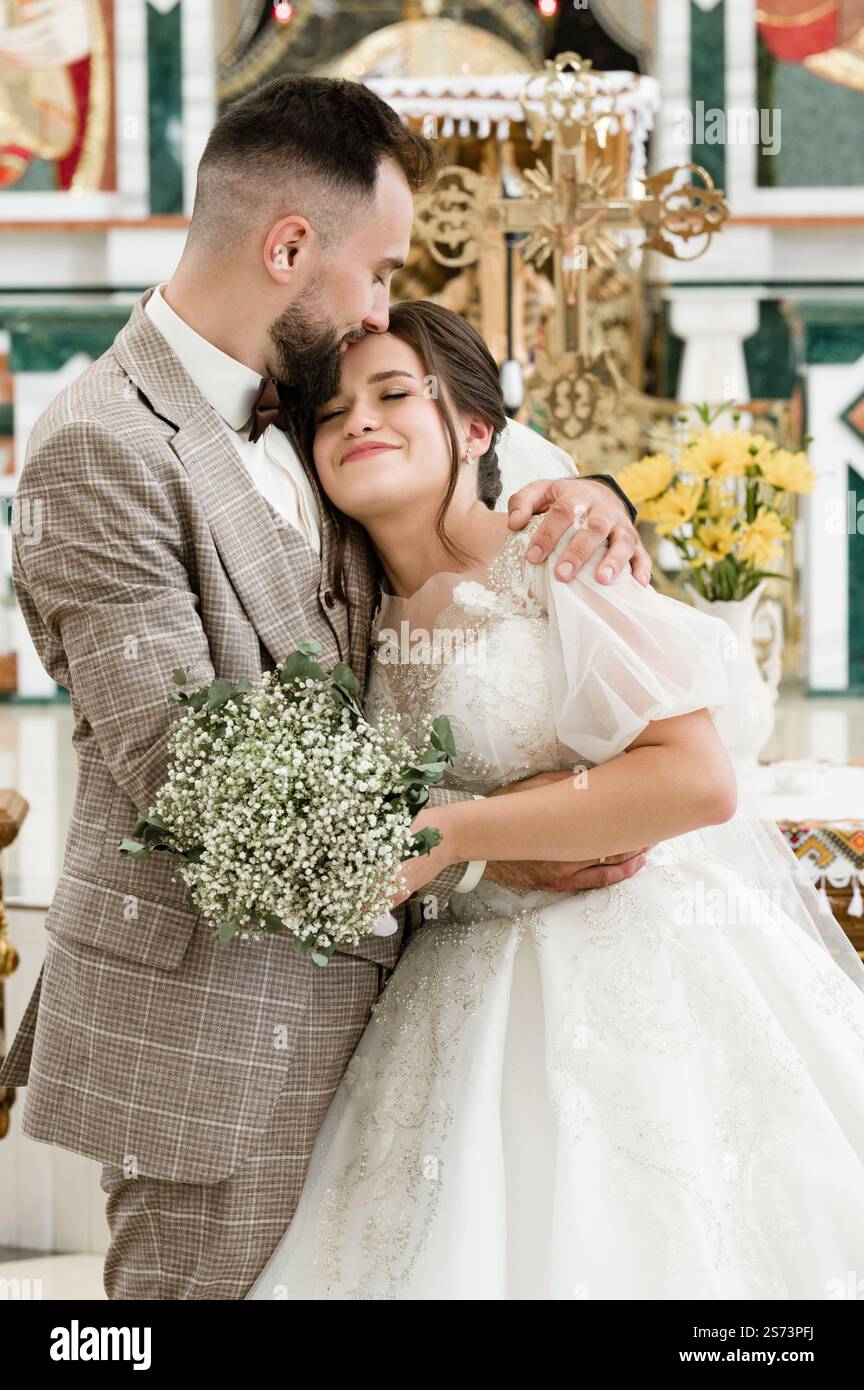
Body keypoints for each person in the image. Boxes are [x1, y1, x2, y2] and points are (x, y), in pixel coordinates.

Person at [0, 77, 648, 1300]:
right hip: (215, 1039)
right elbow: (202, 779)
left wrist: (598, 495)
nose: (387, 304)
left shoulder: (314, 402)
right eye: (382, 268)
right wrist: (474, 854)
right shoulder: (101, 444)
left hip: (402, 1028)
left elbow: (470, 499)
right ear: (289, 247)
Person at [245, 300, 864, 1301]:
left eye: (396, 394)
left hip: (633, 969)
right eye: (332, 412)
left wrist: (456, 829)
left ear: (477, 429)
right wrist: (461, 864)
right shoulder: (342, 611)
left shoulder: (560, 554)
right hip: (451, 996)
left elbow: (697, 779)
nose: (357, 420)